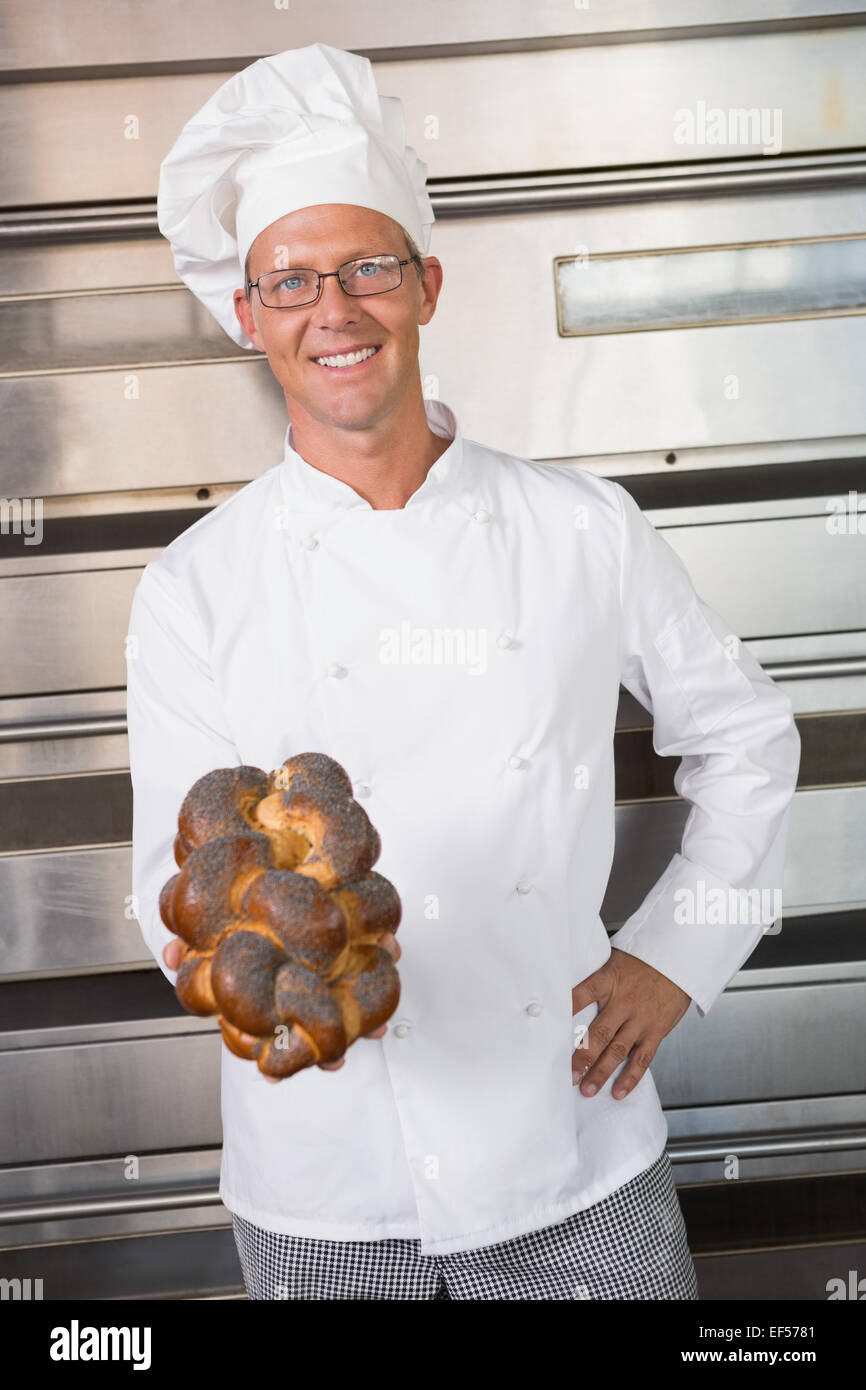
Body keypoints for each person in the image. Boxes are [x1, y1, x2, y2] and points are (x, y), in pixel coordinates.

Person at [127, 42, 801, 1301]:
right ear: (247, 315)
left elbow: (750, 742)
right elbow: (172, 885)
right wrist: (246, 978)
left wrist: (676, 955)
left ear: (426, 284)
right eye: (290, 282)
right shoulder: (193, 585)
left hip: (568, 1144)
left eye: (367, 266)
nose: (334, 310)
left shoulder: (579, 525)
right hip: (322, 1179)